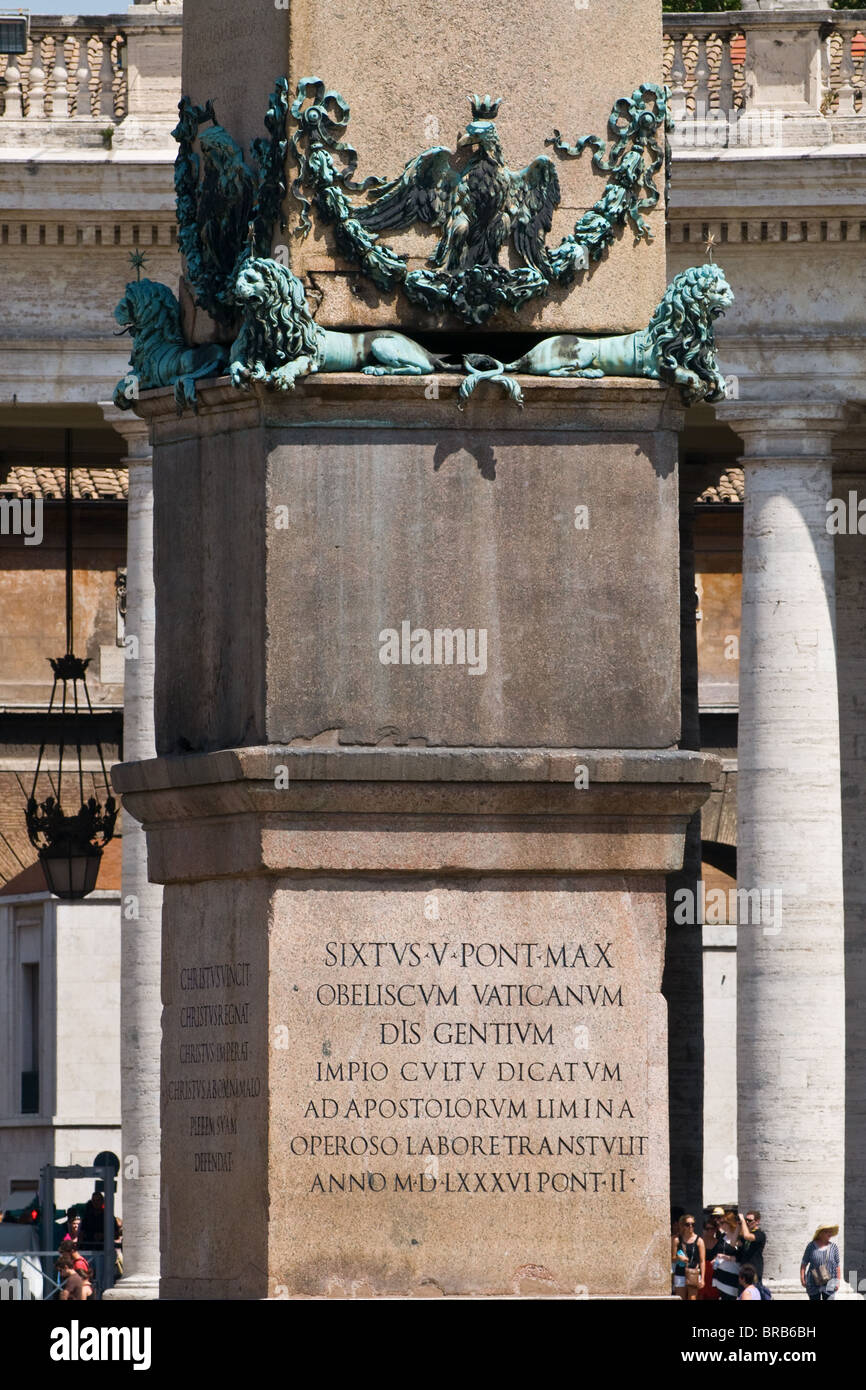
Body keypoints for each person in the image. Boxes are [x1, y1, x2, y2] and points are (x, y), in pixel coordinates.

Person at [800, 1223, 841, 1301]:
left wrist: (838, 1281)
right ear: (820, 1233)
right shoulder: (811, 1246)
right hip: (813, 1283)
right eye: (827, 1232)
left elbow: (837, 1266)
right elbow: (804, 1263)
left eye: (830, 1232)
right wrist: (802, 1278)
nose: (829, 1234)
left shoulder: (834, 1247)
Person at [672, 1214, 705, 1301]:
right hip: (680, 1272)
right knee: (680, 1298)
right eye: (687, 1224)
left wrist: (702, 1278)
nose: (690, 1226)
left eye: (693, 1224)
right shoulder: (677, 1240)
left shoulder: (699, 1240)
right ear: (683, 1226)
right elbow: (672, 1258)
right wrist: (679, 1258)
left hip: (693, 1272)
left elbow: (702, 1261)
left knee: (692, 1298)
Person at [712, 1210, 741, 1300]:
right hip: (720, 1272)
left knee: (730, 1297)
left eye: (723, 1222)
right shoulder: (722, 1236)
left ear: (729, 1223)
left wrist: (726, 1257)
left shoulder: (738, 1238)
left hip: (732, 1273)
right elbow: (717, 1251)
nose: (720, 1224)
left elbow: (740, 1256)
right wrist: (715, 1259)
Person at [737, 1209, 766, 1282]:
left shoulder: (760, 1234)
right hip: (744, 1269)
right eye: (746, 1220)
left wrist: (743, 1221)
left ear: (757, 1221)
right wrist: (738, 1225)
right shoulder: (744, 1234)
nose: (747, 1222)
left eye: (750, 1220)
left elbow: (747, 1236)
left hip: (754, 1269)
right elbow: (733, 1243)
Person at [698, 1219, 722, 1301]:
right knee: (701, 1293)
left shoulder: (719, 1242)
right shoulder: (700, 1241)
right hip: (702, 1270)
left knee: (713, 1294)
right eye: (707, 1229)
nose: (710, 1231)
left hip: (713, 1271)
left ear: (715, 1229)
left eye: (712, 1229)